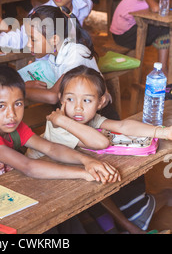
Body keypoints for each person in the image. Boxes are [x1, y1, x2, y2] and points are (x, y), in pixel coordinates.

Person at [0, 65, 120, 197]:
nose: (11, 114)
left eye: (18, 104)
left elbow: (50, 148)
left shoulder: (14, 128)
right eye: (0, 106)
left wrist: (86, 161)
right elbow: (28, 167)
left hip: (3, 192)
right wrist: (83, 173)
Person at [42, 65, 172, 233]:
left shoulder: (88, 119)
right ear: (60, 99)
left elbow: (123, 126)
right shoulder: (58, 125)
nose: (78, 107)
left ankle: (128, 225)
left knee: (100, 189)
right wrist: (63, 121)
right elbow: (100, 142)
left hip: (75, 181)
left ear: (101, 102)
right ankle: (129, 226)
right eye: (70, 99)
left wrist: (163, 132)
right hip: (47, 188)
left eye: (86, 100)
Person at [110, 0, 172, 76]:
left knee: (162, 30)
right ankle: (163, 69)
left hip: (122, 33)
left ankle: (163, 68)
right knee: (164, 29)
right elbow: (154, 8)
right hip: (123, 36)